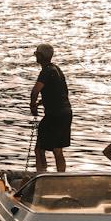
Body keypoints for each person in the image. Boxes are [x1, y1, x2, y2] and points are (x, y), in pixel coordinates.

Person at [29, 43, 72, 173]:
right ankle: (61, 178)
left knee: (39, 149)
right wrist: (41, 103)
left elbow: (35, 91)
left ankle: (41, 175)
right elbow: (60, 93)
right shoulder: (57, 69)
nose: (35, 55)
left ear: (41, 56)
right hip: (66, 113)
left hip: (54, 115)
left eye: (36, 53)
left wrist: (33, 106)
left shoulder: (46, 71)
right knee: (57, 149)